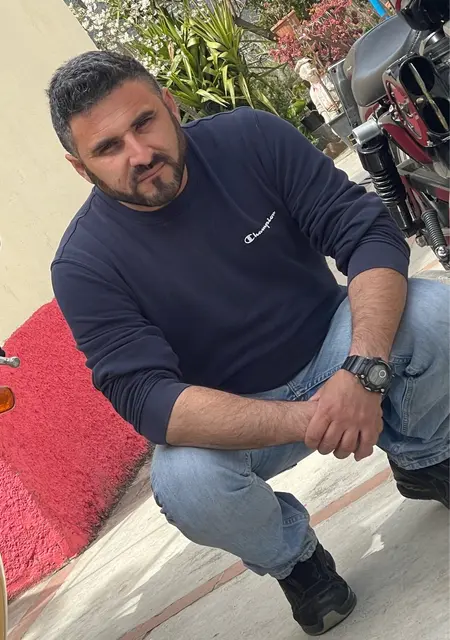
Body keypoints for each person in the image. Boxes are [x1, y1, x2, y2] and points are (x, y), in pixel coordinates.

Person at [48, 51, 449, 636]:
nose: (139, 153)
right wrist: (312, 419)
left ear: (170, 105)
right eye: (108, 148)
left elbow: (365, 232)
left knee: (435, 313)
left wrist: (362, 372)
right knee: (186, 484)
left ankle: (426, 457)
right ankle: (298, 562)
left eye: (144, 122)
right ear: (80, 168)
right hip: (237, 417)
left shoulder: (251, 139)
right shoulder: (84, 264)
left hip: (333, 345)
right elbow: (145, 396)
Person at [295, 58, 341, 124]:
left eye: (310, 67)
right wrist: (327, 119)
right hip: (332, 113)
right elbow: (319, 107)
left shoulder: (327, 78)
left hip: (341, 105)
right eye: (305, 72)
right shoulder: (312, 92)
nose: (310, 71)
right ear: (304, 77)